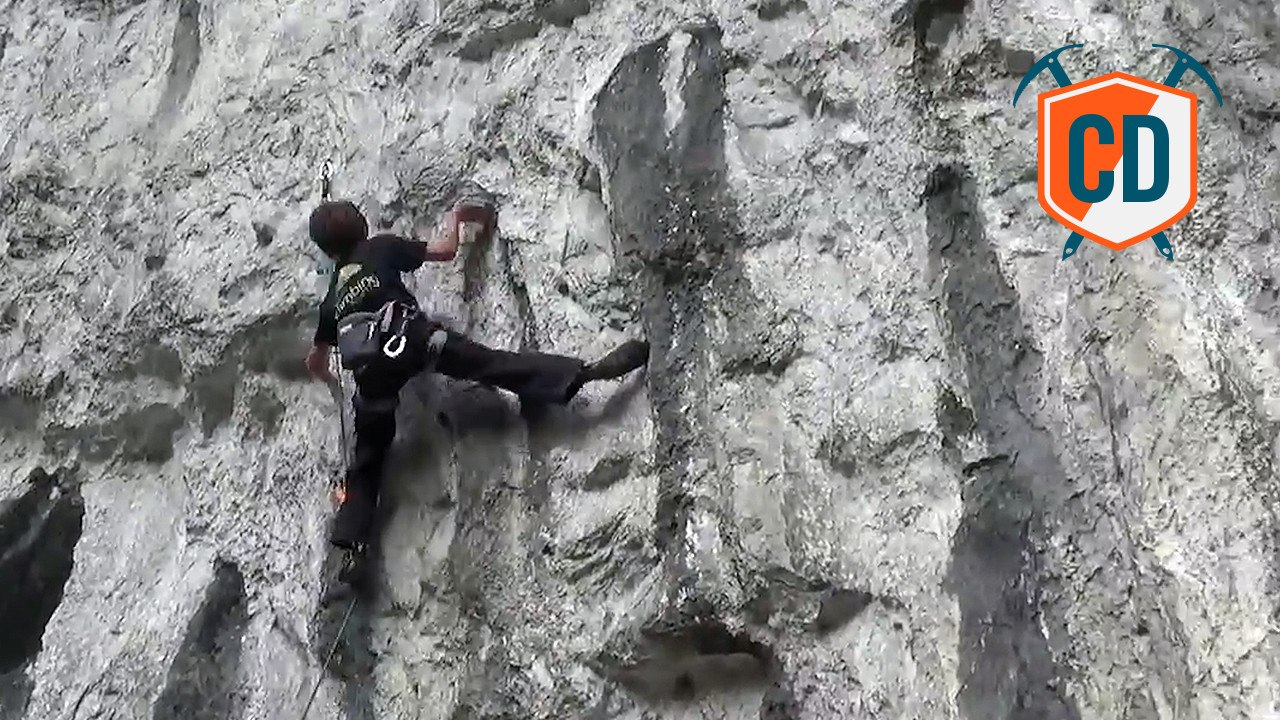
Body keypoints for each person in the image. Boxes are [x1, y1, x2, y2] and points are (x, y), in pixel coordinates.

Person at [304, 195, 649, 552]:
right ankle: (583, 374)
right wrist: (459, 218)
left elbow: (316, 363)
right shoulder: (380, 249)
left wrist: (334, 388)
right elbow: (446, 251)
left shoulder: (332, 299)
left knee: (368, 457)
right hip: (414, 342)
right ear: (360, 225)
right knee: (493, 365)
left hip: (372, 376)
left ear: (329, 253)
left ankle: (351, 538)